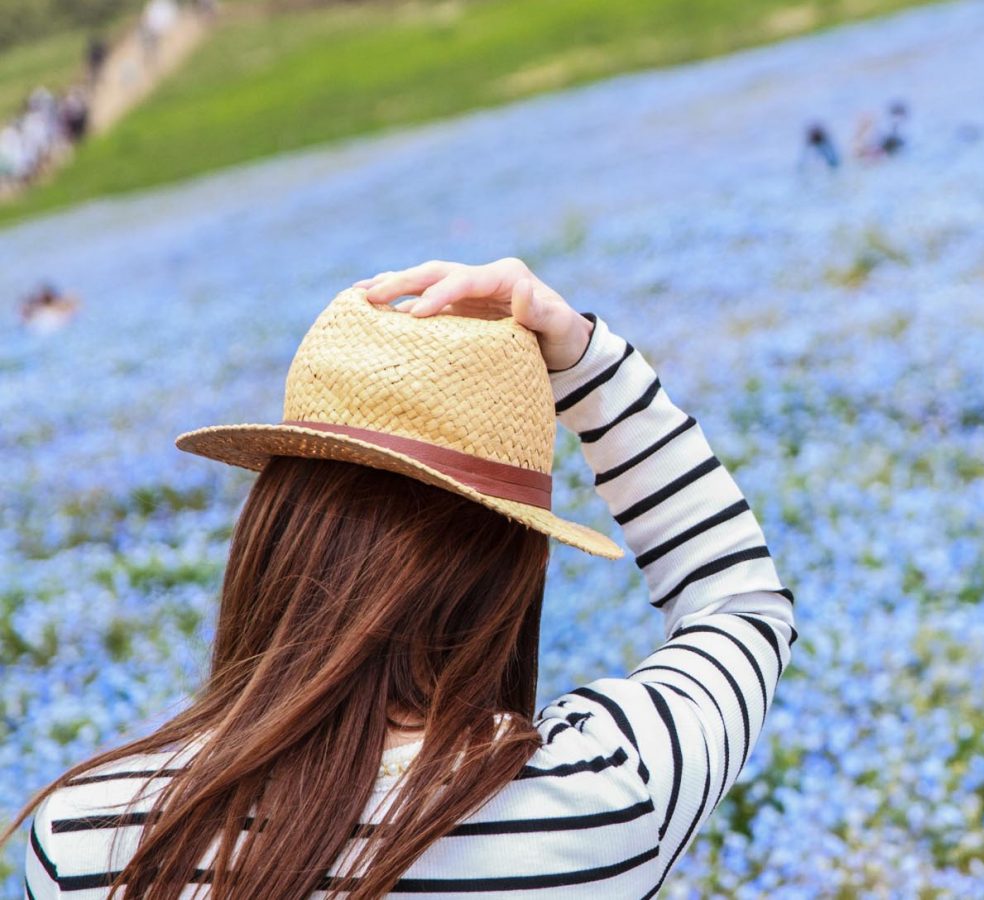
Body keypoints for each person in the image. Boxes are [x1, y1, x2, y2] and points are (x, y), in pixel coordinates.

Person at [11, 258, 797, 900]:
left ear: (271, 533)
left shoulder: (88, 836)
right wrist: (588, 361)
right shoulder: (596, 804)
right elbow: (738, 605)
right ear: (519, 562)